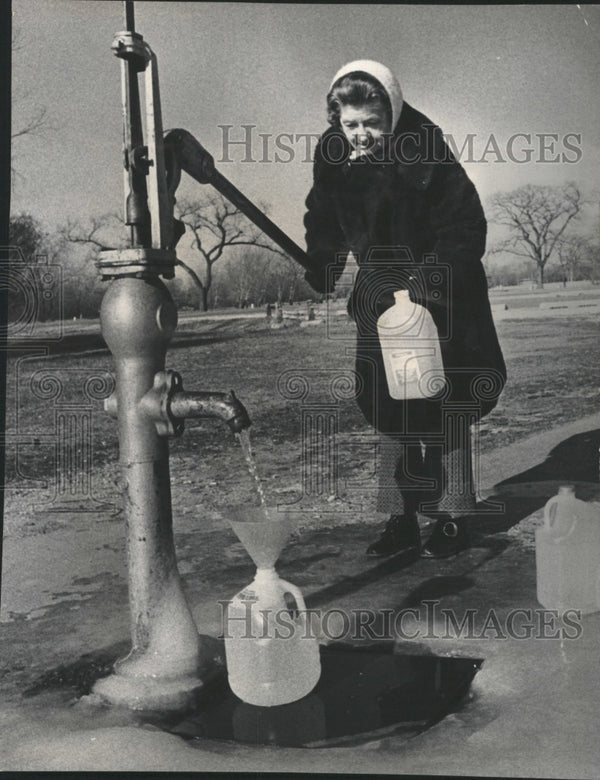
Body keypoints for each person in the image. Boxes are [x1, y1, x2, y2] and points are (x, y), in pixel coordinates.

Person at [303, 60, 506, 559]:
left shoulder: (425, 147)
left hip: (440, 292)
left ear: (391, 111)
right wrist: (323, 264)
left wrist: (427, 283)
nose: (361, 135)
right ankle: (401, 518)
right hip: (379, 293)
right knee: (388, 406)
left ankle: (457, 513)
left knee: (446, 402)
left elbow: (466, 225)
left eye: (372, 123)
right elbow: (322, 218)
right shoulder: (333, 156)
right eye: (350, 125)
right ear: (337, 119)